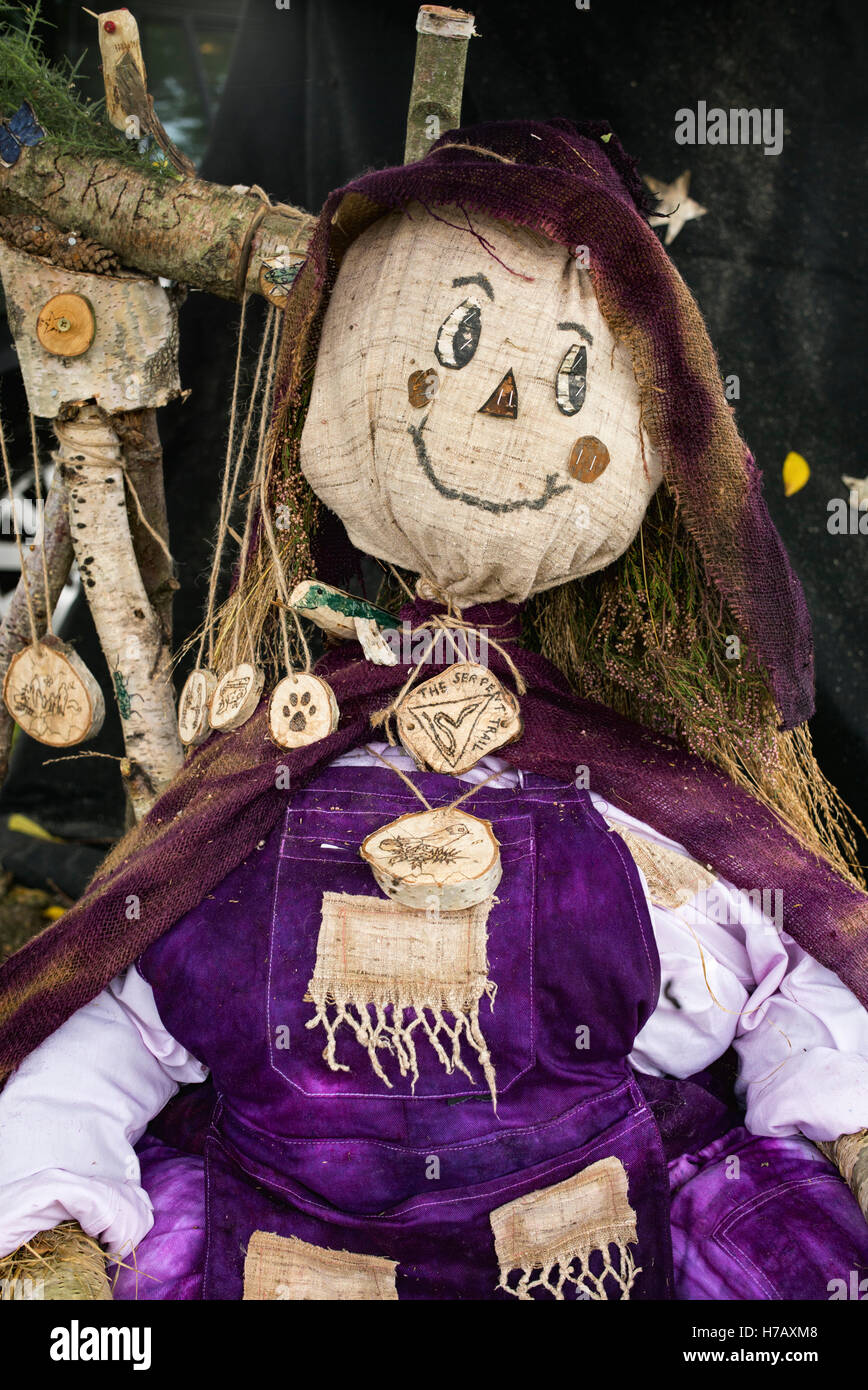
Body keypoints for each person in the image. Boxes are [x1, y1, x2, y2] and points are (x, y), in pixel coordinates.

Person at [1, 120, 866, 1301]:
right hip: (281, 1237)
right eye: (452, 341)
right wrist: (46, 1212)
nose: (505, 402)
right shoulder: (274, 753)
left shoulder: (645, 786)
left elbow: (785, 974)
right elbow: (111, 1010)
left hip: (593, 1234)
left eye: (567, 376)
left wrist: (846, 1120)